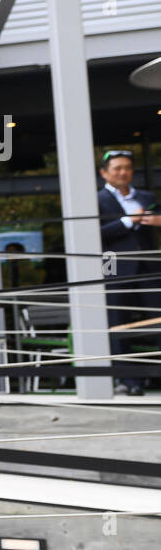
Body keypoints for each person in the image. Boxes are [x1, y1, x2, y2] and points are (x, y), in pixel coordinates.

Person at [97, 150, 161, 395]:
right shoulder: (97, 199)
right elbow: (94, 232)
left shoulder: (146, 196)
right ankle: (128, 380)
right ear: (105, 173)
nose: (123, 172)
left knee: (157, 320)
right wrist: (128, 221)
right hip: (114, 267)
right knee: (118, 323)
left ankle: (155, 375)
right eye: (117, 168)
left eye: (127, 168)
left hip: (149, 267)